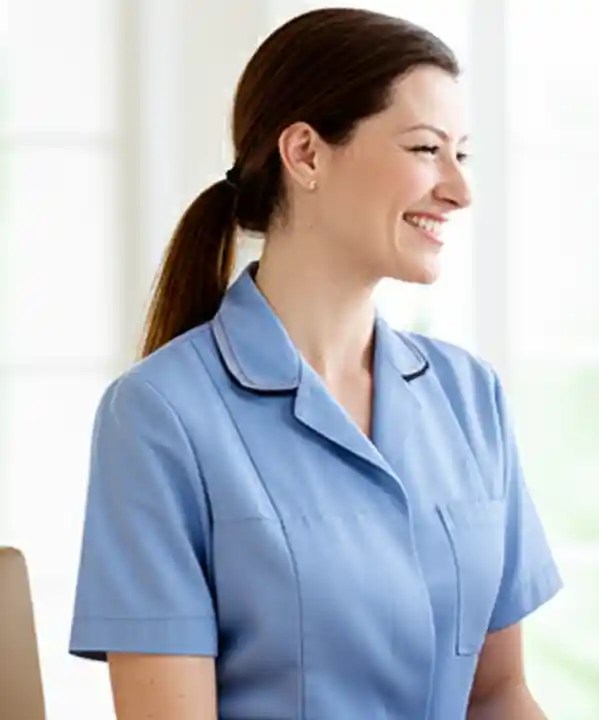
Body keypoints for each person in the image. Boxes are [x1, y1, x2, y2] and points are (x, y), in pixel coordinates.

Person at [68, 9, 560, 719]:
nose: (459, 188)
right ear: (304, 154)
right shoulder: (158, 416)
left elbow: (497, 694)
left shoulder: (470, 397)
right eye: (426, 149)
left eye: (463, 154)